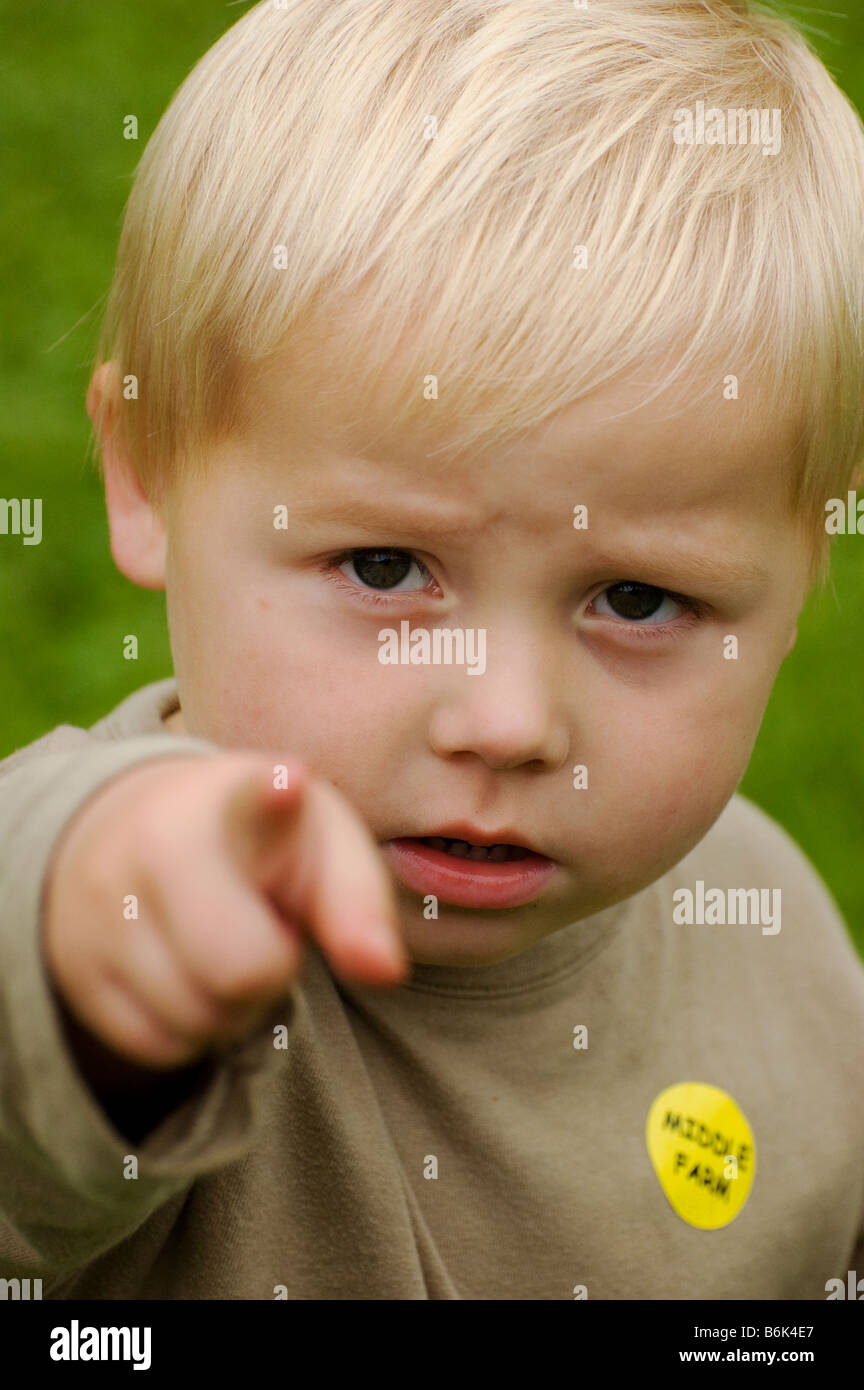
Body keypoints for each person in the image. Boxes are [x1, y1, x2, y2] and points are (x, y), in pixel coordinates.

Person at [1, 0, 863, 1300]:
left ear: (812, 559)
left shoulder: (767, 915)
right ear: (147, 474)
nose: (508, 722)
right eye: (387, 569)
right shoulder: (162, 917)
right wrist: (94, 938)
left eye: (636, 597)